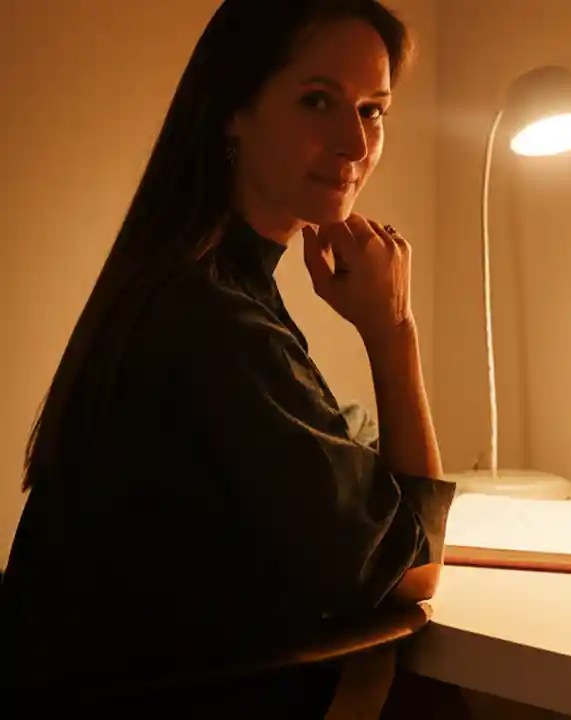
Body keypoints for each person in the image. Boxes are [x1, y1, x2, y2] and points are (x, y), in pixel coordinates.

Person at [0, 0, 454, 715]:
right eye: (317, 101)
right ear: (232, 113)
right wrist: (393, 333)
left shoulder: (190, 279)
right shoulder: (215, 319)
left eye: (373, 111)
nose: (353, 143)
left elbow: (338, 446)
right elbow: (415, 569)